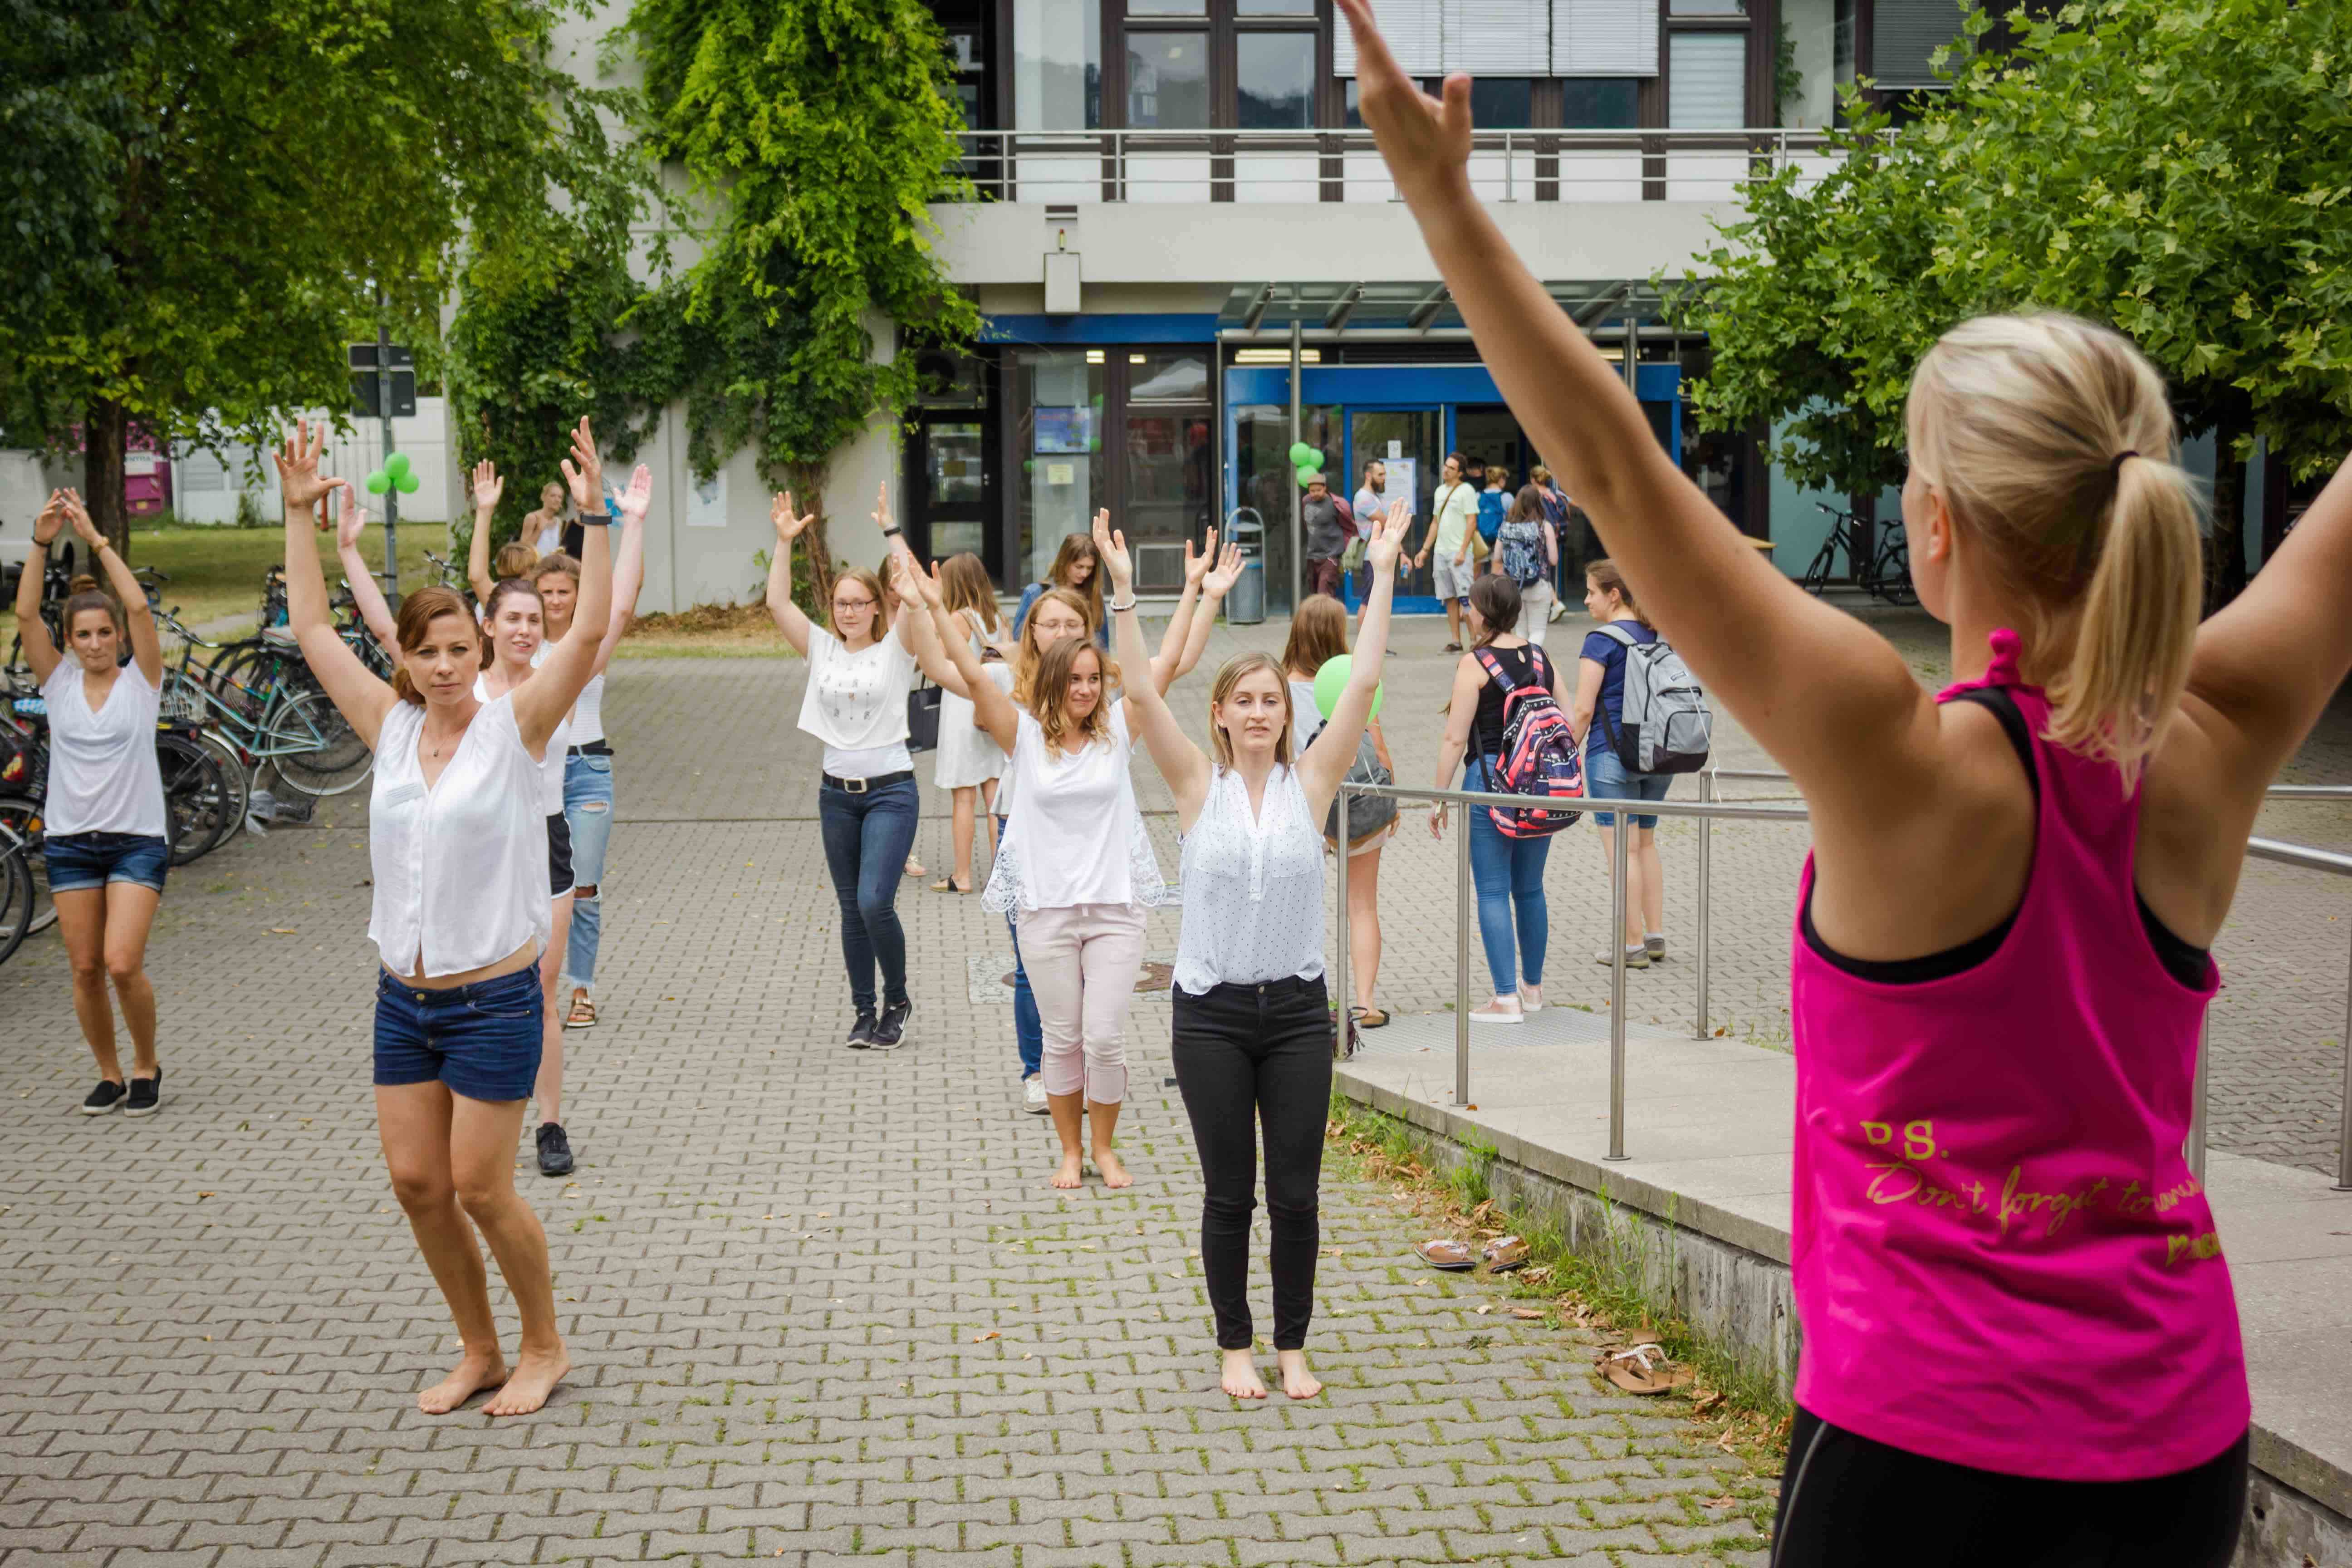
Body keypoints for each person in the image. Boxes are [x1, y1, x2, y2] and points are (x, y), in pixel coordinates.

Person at [1344, 10, 2291, 1555]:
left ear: (1931, 522)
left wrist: (1443, 200)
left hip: (1920, 1452)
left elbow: (1611, 473)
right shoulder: (2223, 733)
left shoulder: (1896, 749)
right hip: (2177, 1440)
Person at [279, 414, 610, 1418]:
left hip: (495, 999)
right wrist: (300, 519)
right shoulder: (389, 729)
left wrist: (593, 518)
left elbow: (589, 631)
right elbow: (309, 630)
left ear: (483, 647)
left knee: (481, 1186)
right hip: (403, 1001)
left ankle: (543, 1346)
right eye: (428, 654)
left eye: (460, 649)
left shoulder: (518, 728)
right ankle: (479, 1350)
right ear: (410, 660)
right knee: (417, 1185)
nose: (447, 667)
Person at [1119, 499, 1407, 1401]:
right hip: (1207, 1017)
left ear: (1288, 714)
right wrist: (1126, 601)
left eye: (1269, 702)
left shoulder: (1312, 782)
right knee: (1228, 1195)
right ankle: (1234, 1348)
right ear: (1219, 714)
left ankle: (1292, 1348)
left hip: (1292, 1016)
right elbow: (1137, 695)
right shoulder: (1193, 782)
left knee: (1296, 1194)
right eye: (1242, 701)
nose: (1256, 713)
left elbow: (1360, 684)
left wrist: (1385, 572)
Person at [918, 516, 1174, 1186]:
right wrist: (933, 607)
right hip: (1046, 912)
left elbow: (1151, 675)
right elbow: (974, 677)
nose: (1087, 689)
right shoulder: (1023, 737)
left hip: (1115, 910)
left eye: (1095, 678)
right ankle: (1069, 1150)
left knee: (1107, 1038)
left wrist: (1125, 591)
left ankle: (1106, 1147)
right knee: (1062, 1040)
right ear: (1056, 680)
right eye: (1077, 679)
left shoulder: (1120, 731)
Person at [765, 485, 949, 1050]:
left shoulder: (898, 644)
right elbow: (777, 604)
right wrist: (782, 543)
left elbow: (914, 586)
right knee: (850, 909)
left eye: (858, 603)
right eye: (841, 604)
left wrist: (893, 531)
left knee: (875, 900)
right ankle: (864, 1012)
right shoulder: (820, 648)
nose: (848, 612)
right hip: (836, 796)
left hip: (891, 791)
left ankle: (898, 998)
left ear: (877, 606)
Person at [15, 489, 169, 1117]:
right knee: (83, 969)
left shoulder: (143, 681)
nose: (99, 642)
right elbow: (25, 616)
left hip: (137, 841)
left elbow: (138, 605)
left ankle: (146, 1063)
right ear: (70, 641)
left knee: (121, 962)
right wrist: (41, 539)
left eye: (106, 632)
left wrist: (98, 538)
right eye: (86, 634)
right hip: (71, 842)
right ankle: (109, 1074)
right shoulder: (57, 683)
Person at [527, 510, 654, 1037]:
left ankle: (581, 989)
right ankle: (530, 988)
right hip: (533, 775)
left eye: (565, 592)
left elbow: (624, 598)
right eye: (548, 592)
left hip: (588, 771)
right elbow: (483, 588)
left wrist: (636, 522)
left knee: (583, 887)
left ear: (579, 595)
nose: (557, 601)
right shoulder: (520, 648)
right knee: (530, 888)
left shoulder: (590, 644)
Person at [1431, 574, 1555, 1023]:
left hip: (1488, 782)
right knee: (1530, 888)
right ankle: (1533, 990)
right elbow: (1570, 717)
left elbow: (1453, 738)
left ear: (1485, 612)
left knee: (1492, 889)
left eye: (1470, 604)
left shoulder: (1475, 663)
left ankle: (1506, 998)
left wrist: (1438, 797)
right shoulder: (1540, 657)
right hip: (1538, 784)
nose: (1465, 610)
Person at [1282, 594, 1394, 1028]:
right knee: (1363, 905)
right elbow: (1379, 750)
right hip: (1358, 805)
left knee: (1293, 905)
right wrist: (1391, 803)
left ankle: (1294, 1000)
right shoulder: (1353, 684)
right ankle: (1366, 1003)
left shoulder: (1278, 689)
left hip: (1301, 808)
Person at [1571, 560, 1668, 968]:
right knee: (1645, 844)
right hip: (1660, 755)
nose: (1587, 599)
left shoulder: (1601, 641)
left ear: (1614, 595)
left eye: (1592, 591)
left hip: (1612, 756)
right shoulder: (1656, 634)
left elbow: (1582, 710)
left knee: (1622, 853)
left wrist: (1561, 758)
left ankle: (1630, 946)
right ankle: (1655, 935)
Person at [930, 552, 1010, 895]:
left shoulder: (958, 619)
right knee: (995, 796)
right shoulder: (998, 618)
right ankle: (1000, 874)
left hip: (963, 709)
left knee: (964, 797)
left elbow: (937, 658)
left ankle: (962, 876)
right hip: (992, 710)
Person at [1415, 452, 1480, 651]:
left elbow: (1472, 521)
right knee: (1449, 598)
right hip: (1441, 552)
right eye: (1445, 466)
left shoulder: (1466, 491)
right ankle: (1456, 641)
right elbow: (1435, 523)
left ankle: (1476, 640)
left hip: (1458, 553)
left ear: (1460, 473)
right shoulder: (1439, 491)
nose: (1446, 470)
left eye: (1451, 468)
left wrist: (1462, 551)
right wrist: (1425, 550)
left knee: (1466, 598)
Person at [1014, 531, 1107, 648]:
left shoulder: (1094, 596)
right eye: (1079, 567)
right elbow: (1020, 641)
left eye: (1090, 568)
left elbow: (1103, 648)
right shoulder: (1036, 593)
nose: (1084, 573)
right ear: (1064, 561)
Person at [1494, 484, 1558, 645]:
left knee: (1521, 631)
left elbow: (1497, 557)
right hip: (1539, 583)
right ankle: (1533, 664)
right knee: (1538, 631)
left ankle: (1522, 665)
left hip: (1514, 586)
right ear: (1538, 503)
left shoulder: (1506, 526)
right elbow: (1554, 560)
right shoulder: (1544, 526)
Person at [1529, 465, 1574, 622]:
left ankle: (1554, 603)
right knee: (1548, 572)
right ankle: (1552, 604)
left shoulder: (1531, 495)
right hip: (1554, 537)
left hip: (1538, 537)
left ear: (1533, 479)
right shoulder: (1556, 494)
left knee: (1540, 573)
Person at [1301, 472, 1350, 600]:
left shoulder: (1335, 504)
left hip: (1331, 556)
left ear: (1325, 488)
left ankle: (1327, 620)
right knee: (1314, 594)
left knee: (1324, 594)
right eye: (1312, 491)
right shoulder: (1306, 501)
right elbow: (1308, 524)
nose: (1315, 493)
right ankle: (1320, 620)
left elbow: (1347, 524)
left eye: (1319, 490)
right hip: (1312, 555)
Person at [1352, 457, 1389, 598]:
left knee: (1378, 601)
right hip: (1371, 557)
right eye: (1380, 475)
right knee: (1369, 601)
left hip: (1378, 555)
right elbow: (1386, 524)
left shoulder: (1376, 497)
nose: (1384, 478)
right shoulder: (1363, 497)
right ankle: (1364, 623)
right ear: (1368, 476)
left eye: (1385, 474)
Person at [1475, 464, 1510, 559]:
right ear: (1501, 479)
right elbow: (1513, 521)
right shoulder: (1507, 497)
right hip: (1501, 542)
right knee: (1498, 571)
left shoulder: (1477, 496)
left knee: (1477, 572)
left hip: (1481, 541)